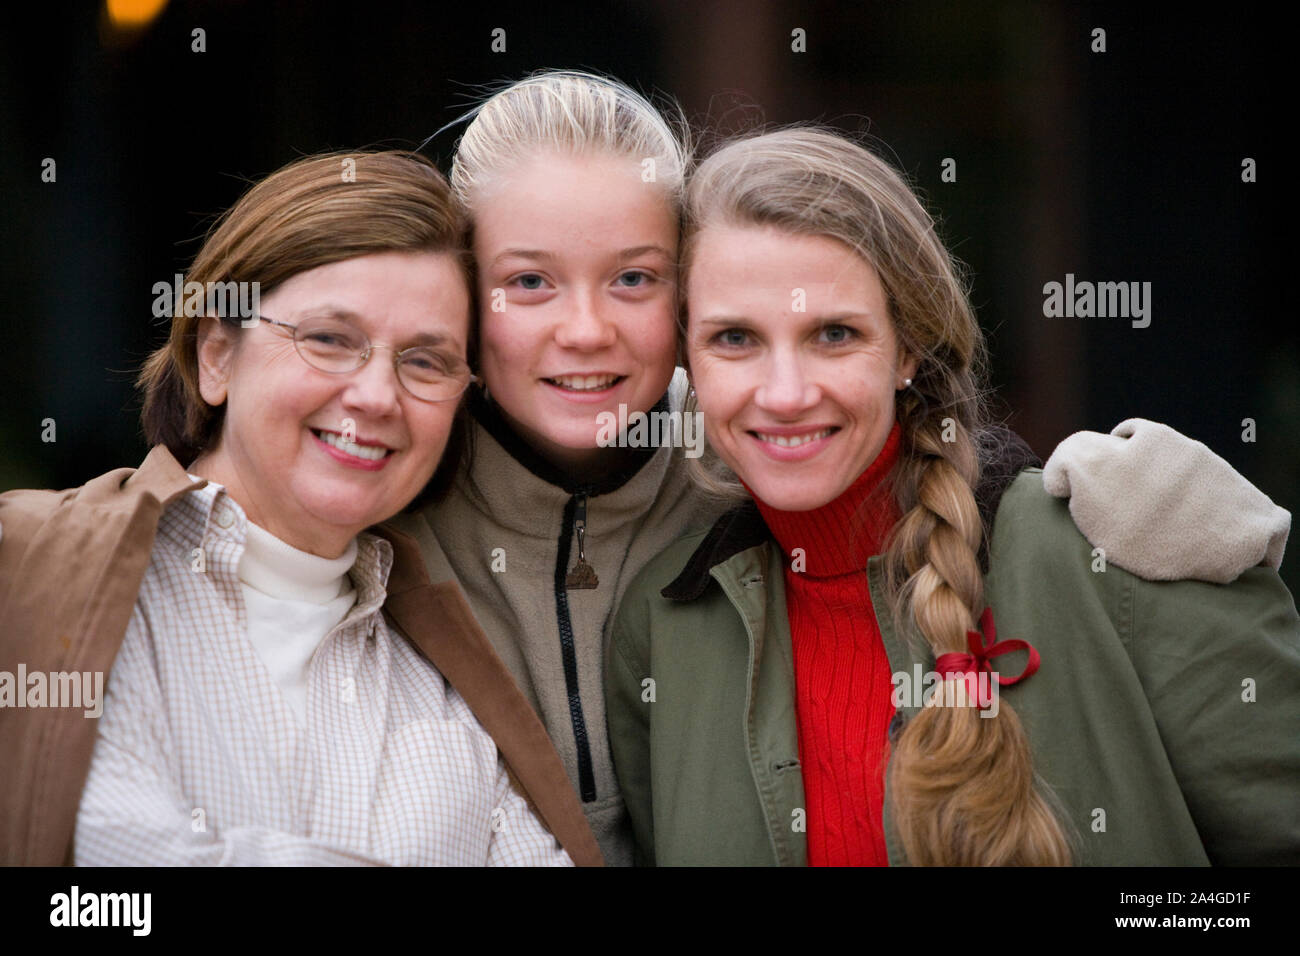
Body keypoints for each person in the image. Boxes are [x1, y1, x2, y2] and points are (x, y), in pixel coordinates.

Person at [605, 127, 1300, 866]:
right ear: (687, 358)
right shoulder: (662, 627)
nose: (785, 393)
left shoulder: (1111, 545)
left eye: (834, 334)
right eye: (735, 338)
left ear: (907, 349)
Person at [0, 149, 600, 866]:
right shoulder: (39, 572)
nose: (377, 396)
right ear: (218, 355)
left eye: (426, 360)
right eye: (328, 340)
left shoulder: (454, 679)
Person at [388, 71, 720, 865]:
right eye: (529, 282)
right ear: (464, 292)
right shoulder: (381, 491)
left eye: (632, 278)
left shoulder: (755, 469)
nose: (585, 330)